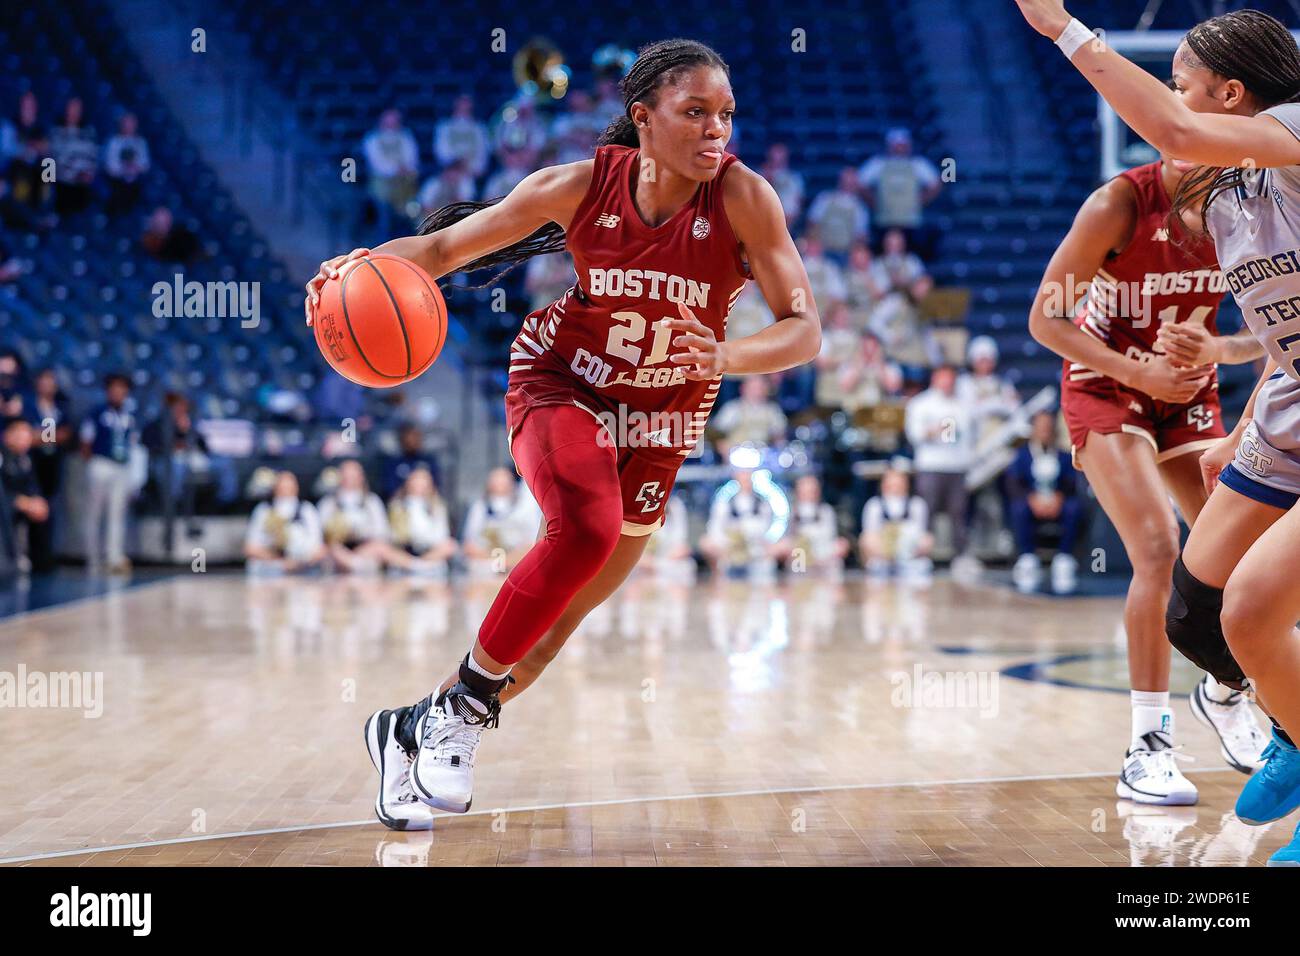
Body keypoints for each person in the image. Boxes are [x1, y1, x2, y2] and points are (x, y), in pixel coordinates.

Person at [306, 38, 820, 829]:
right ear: (643, 120)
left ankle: (412, 727)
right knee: (584, 526)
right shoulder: (577, 186)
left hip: (661, 418)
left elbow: (803, 330)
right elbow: (441, 250)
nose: (717, 131)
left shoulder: (748, 199)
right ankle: (463, 714)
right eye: (695, 113)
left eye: (726, 115)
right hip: (562, 382)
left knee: (552, 628)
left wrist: (727, 352)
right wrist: (356, 270)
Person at [1017, 0, 1300, 865]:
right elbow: (1284, 327)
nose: (1160, 112)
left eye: (1179, 86)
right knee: (1198, 609)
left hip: (1194, 395)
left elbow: (1173, 123)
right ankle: (1279, 716)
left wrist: (1062, 26)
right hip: (1127, 385)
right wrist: (1234, 410)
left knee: (1245, 600)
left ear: (1232, 93)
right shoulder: (1177, 200)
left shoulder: (1289, 131)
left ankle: (1204, 735)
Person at [1028, 149, 1267, 802]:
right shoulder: (1118, 204)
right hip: (1107, 384)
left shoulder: (1245, 203)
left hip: (1190, 392)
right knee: (1160, 551)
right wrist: (1139, 373)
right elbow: (1043, 319)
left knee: (1241, 556)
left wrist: (1221, 348)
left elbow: (1269, 334)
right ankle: (1148, 747)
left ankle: (1224, 690)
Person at [903, 365, 977, 574]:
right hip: (931, 466)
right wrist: (934, 430)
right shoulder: (921, 404)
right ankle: (922, 556)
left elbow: (971, 436)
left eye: (950, 378)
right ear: (935, 378)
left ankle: (961, 556)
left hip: (957, 466)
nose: (947, 383)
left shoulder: (963, 405)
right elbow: (914, 435)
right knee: (927, 513)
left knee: (959, 514)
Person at [1004, 411, 1083, 594]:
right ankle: (1027, 555)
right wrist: (1031, 498)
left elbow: (1071, 483)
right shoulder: (1022, 455)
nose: (1045, 431)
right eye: (1041, 427)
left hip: (1056, 500)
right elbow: (1014, 483)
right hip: (1031, 500)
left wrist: (1059, 497)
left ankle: (1064, 556)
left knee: (1074, 508)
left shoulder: (1063, 455)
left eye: (1048, 427)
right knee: (1018, 509)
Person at [80, 373, 137, 575]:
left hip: (120, 466)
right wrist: (93, 462)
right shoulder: (97, 413)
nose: (118, 392)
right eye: (114, 388)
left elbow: (132, 443)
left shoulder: (129, 416)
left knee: (117, 513)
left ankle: (114, 557)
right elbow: (85, 441)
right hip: (100, 463)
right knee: (94, 513)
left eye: (122, 388)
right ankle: (92, 558)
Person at [857, 127, 942, 253]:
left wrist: (920, 201)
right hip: (884, 220)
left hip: (910, 221)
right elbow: (859, 182)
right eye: (896, 145)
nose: (899, 148)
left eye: (903, 145)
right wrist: (874, 202)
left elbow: (936, 183)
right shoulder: (878, 164)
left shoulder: (918, 164)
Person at [459, 467, 542, 575]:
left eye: (504, 480)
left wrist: (508, 560)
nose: (500, 483)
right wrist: (494, 559)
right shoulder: (479, 507)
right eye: (496, 480)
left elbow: (533, 540)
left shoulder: (524, 508)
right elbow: (468, 543)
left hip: (515, 562)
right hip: (485, 564)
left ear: (511, 482)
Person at [316, 459, 391, 573]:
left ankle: (354, 564)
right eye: (346, 475)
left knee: (380, 547)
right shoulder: (328, 503)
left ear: (361, 478)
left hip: (365, 549)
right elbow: (320, 534)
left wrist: (361, 534)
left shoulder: (372, 501)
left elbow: (382, 532)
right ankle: (354, 565)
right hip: (338, 551)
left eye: (353, 476)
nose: (349, 479)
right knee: (331, 549)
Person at [244, 471, 326, 574]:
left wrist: (299, 562)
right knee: (256, 566)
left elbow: (320, 549)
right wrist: (279, 561)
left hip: (303, 566)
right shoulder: (263, 510)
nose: (285, 490)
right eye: (282, 487)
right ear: (275, 489)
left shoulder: (307, 509)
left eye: (289, 487)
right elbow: (250, 548)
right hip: (272, 565)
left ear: (296, 488)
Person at [859, 465, 932, 578]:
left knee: (927, 540)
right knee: (866, 539)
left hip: (909, 550)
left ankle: (907, 564)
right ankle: (883, 565)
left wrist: (904, 546)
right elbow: (869, 533)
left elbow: (921, 532)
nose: (895, 485)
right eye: (891, 481)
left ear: (906, 483)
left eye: (899, 481)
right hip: (882, 551)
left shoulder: (917, 504)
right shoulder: (874, 504)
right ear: (883, 484)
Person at [383, 468, 457, 575]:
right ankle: (413, 565)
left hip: (430, 550)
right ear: (408, 483)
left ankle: (421, 564)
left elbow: (442, 535)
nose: (419, 484)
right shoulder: (397, 506)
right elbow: (393, 535)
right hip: (406, 551)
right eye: (416, 480)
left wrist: (424, 538)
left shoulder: (437, 507)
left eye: (423, 481)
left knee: (451, 546)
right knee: (384, 549)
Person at [772, 474, 848, 577]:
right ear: (798, 492)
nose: (809, 495)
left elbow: (832, 537)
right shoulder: (792, 512)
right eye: (805, 492)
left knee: (841, 545)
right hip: (799, 557)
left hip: (823, 555)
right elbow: (787, 540)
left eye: (812, 491)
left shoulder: (826, 511)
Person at [0, 417, 49, 573]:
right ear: (7, 435)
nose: (25, 439)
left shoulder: (26, 458)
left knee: (43, 509)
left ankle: (35, 561)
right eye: (20, 434)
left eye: (27, 434)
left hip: (20, 506)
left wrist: (37, 501)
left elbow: (32, 486)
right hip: (6, 505)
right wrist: (20, 501)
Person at [103, 112, 149, 215]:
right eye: (127, 123)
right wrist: (125, 168)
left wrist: (135, 168)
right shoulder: (114, 142)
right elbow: (110, 167)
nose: (129, 126)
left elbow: (145, 165)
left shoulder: (141, 143)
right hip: (116, 183)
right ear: (121, 124)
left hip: (135, 183)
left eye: (132, 123)